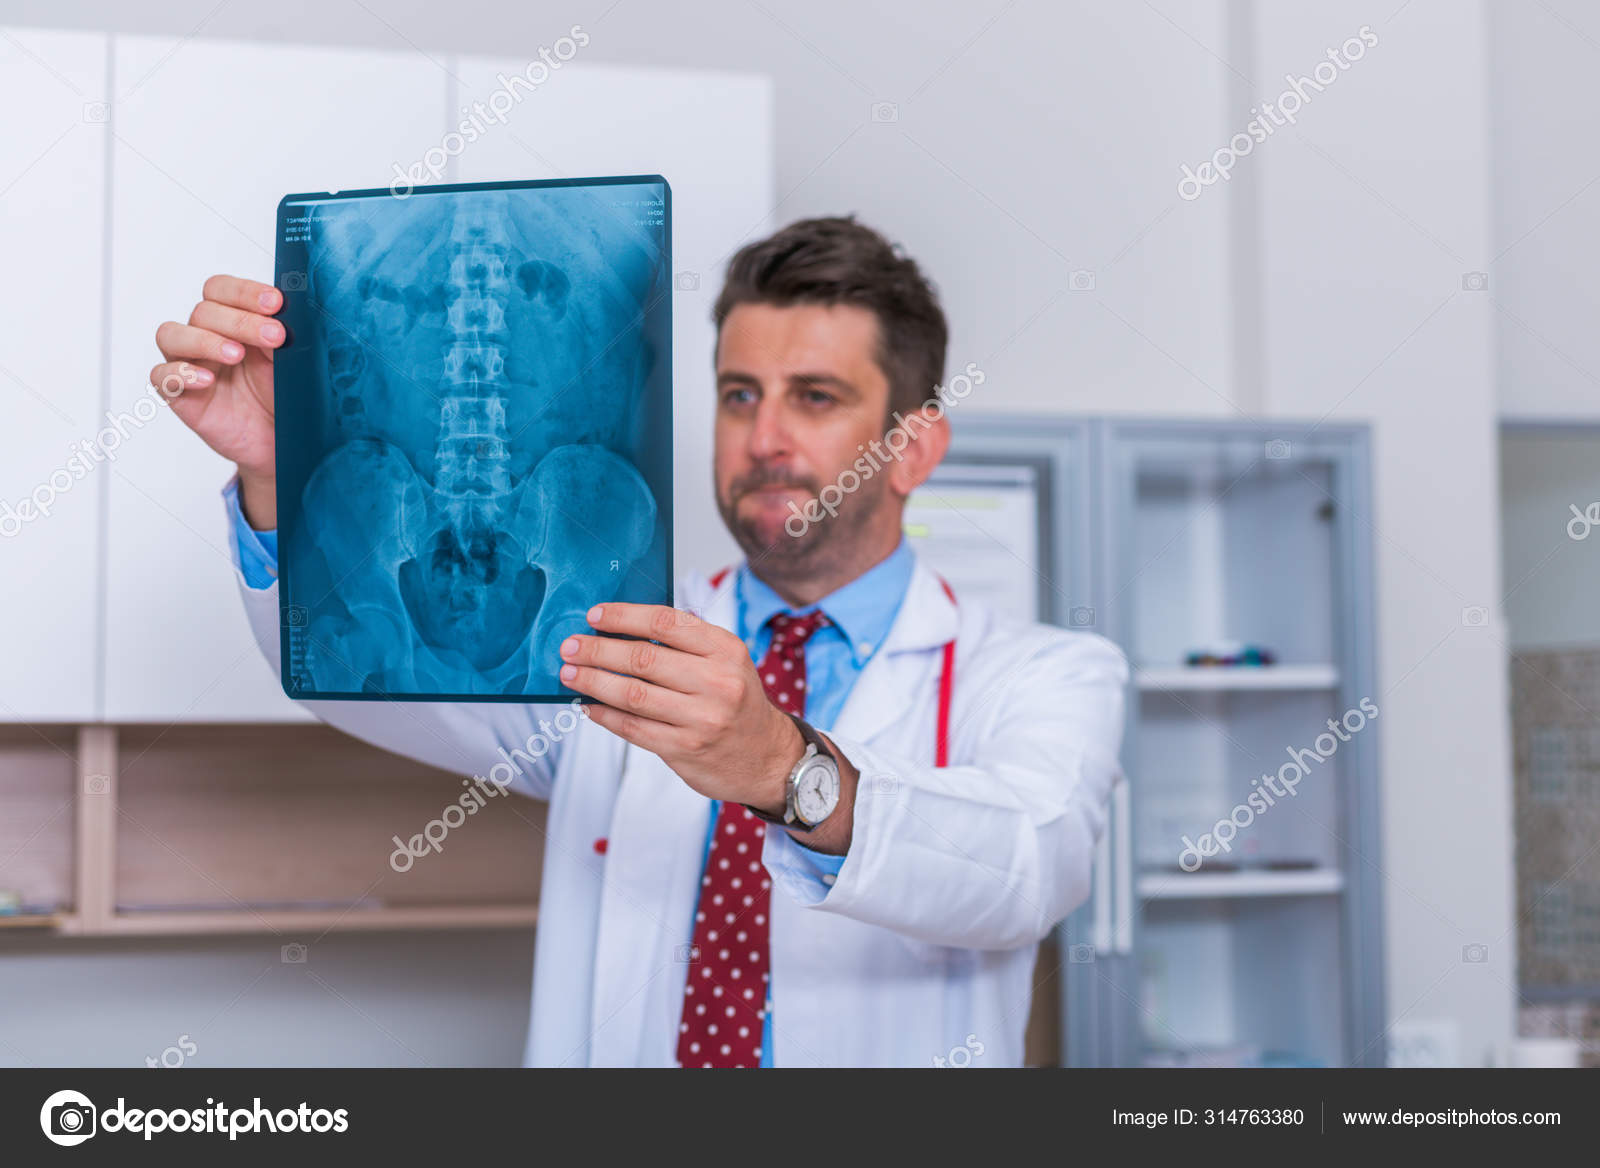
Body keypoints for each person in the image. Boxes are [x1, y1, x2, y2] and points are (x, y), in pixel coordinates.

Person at [148, 215, 1128, 1067]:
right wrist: (283, 477)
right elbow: (375, 672)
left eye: (816, 397)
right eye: (740, 394)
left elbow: (1026, 866)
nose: (764, 436)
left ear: (911, 447)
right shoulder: (611, 631)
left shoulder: (1041, 670)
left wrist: (783, 767)